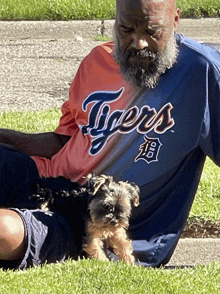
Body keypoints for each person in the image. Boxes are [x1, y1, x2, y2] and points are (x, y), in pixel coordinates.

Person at [0, 0, 219, 269]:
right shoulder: (98, 60)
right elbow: (63, 141)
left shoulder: (202, 72)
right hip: (45, 182)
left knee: (4, 231)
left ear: (175, 20)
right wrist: (8, 139)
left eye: (152, 31)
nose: (138, 43)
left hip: (88, 223)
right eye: (126, 29)